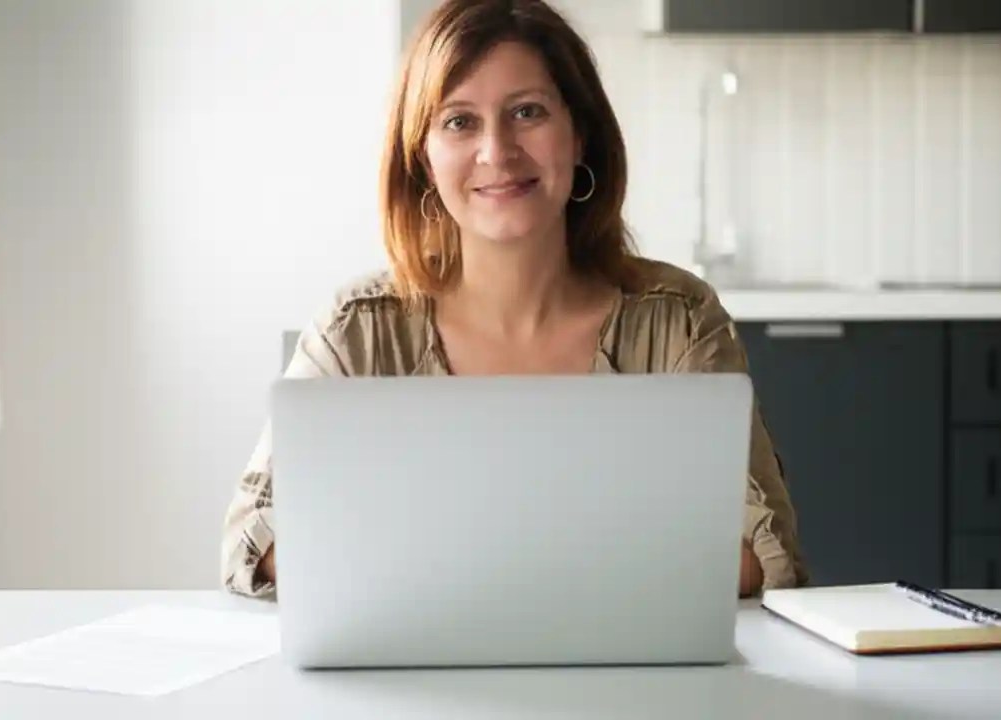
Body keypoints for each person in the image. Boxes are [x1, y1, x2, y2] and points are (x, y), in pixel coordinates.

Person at [221, 0, 807, 601]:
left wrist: (445, 559)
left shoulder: (678, 321)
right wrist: (589, 559)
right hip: (410, 682)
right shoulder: (356, 333)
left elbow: (762, 556)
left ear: (580, 135)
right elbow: (255, 547)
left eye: (527, 112)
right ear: (422, 155)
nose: (496, 152)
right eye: (459, 121)